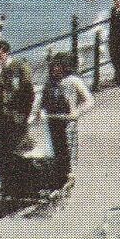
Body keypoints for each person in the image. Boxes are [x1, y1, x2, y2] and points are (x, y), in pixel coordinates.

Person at [34, 51, 93, 187]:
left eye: (58, 66)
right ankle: (61, 176)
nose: (55, 69)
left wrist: (77, 112)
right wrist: (40, 112)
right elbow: (43, 103)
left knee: (69, 148)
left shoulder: (73, 81)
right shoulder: (49, 83)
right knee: (57, 148)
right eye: (53, 67)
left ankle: (70, 176)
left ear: (64, 67)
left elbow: (89, 100)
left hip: (67, 121)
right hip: (53, 120)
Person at [0, 41, 36, 195]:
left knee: (17, 152)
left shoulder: (19, 67)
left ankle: (22, 187)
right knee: (0, 154)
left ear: (7, 53)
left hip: (15, 117)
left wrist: (24, 115)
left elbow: (28, 93)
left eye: (0, 54)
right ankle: (7, 186)